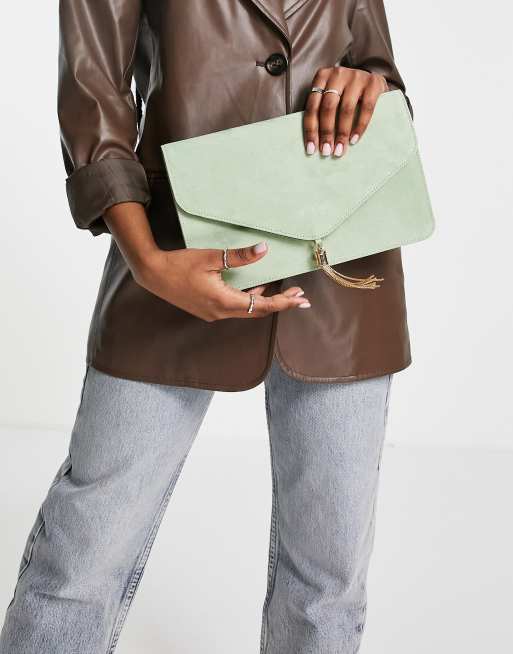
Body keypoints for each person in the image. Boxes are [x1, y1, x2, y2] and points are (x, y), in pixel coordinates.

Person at [0, 1, 413, 652]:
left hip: (341, 261)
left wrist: (371, 87)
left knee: (328, 585)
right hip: (176, 251)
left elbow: (380, 73)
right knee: (82, 558)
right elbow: (93, 92)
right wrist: (148, 263)